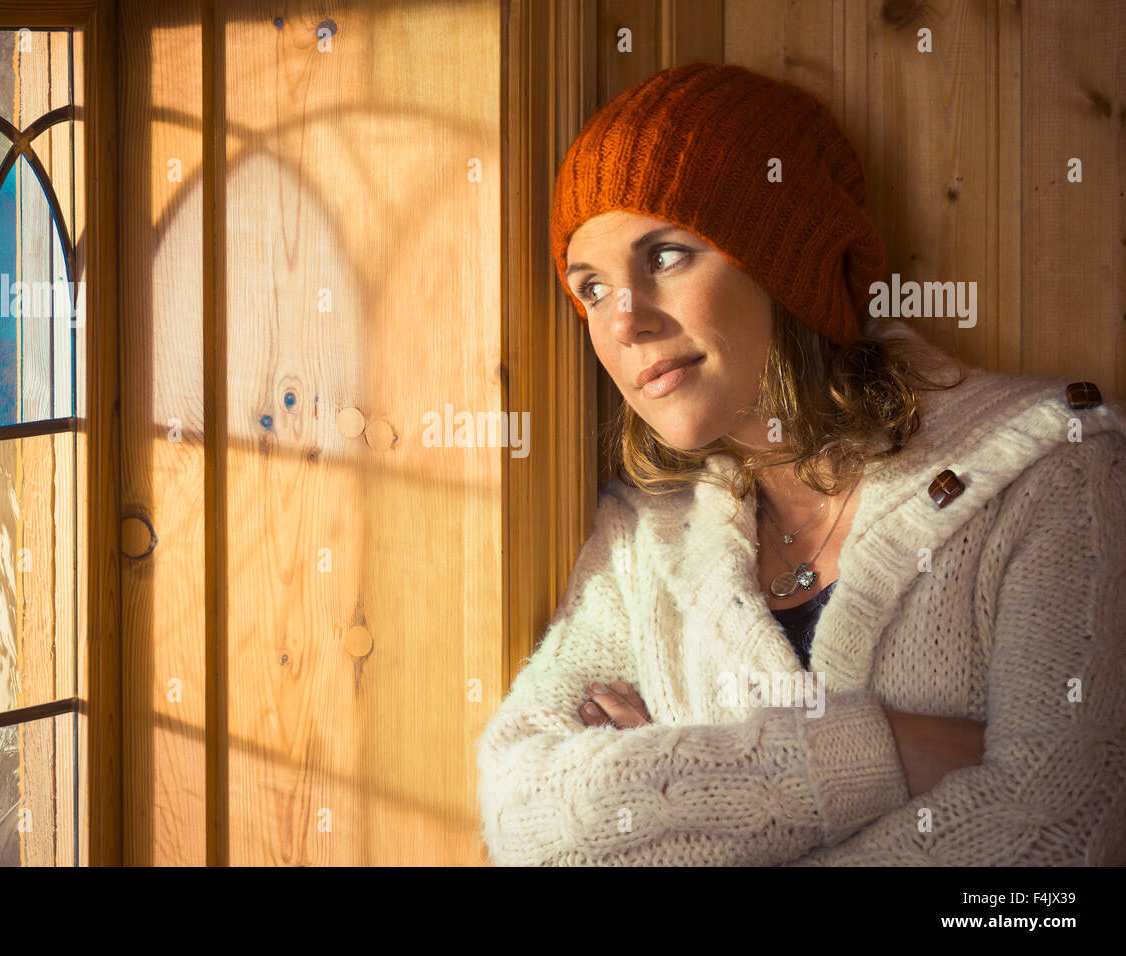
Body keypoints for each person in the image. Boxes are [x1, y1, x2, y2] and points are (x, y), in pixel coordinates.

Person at [475, 61, 1126, 866]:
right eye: (591, 286)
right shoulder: (646, 541)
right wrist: (883, 752)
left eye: (668, 255)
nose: (625, 321)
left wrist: (688, 805)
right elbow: (526, 820)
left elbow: (1058, 851)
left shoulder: (1051, 473)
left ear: (786, 264)